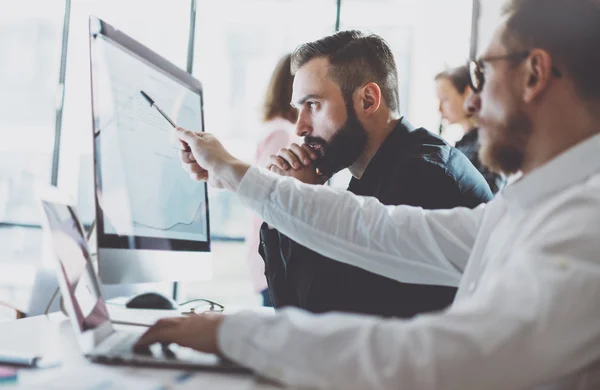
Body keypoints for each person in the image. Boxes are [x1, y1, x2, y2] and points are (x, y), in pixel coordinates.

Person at [136, 0, 600, 388]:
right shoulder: (530, 207)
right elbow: (378, 229)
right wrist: (236, 174)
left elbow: (438, 358)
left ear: (534, 74)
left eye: (482, 74)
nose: (472, 103)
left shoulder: (583, 228)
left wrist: (234, 333)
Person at [258, 32, 492, 318]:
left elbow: (329, 323)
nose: (300, 127)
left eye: (314, 105)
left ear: (368, 100)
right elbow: (290, 315)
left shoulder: (423, 178)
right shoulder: (371, 175)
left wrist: (304, 202)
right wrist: (282, 210)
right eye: (299, 109)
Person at [244, 53, 299, 306]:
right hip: (275, 255)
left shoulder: (277, 129)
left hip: (270, 253)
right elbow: (269, 192)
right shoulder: (283, 133)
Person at [435, 64, 507, 193]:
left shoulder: (486, 146)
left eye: (444, 100)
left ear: (468, 93)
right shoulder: (464, 144)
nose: (439, 109)